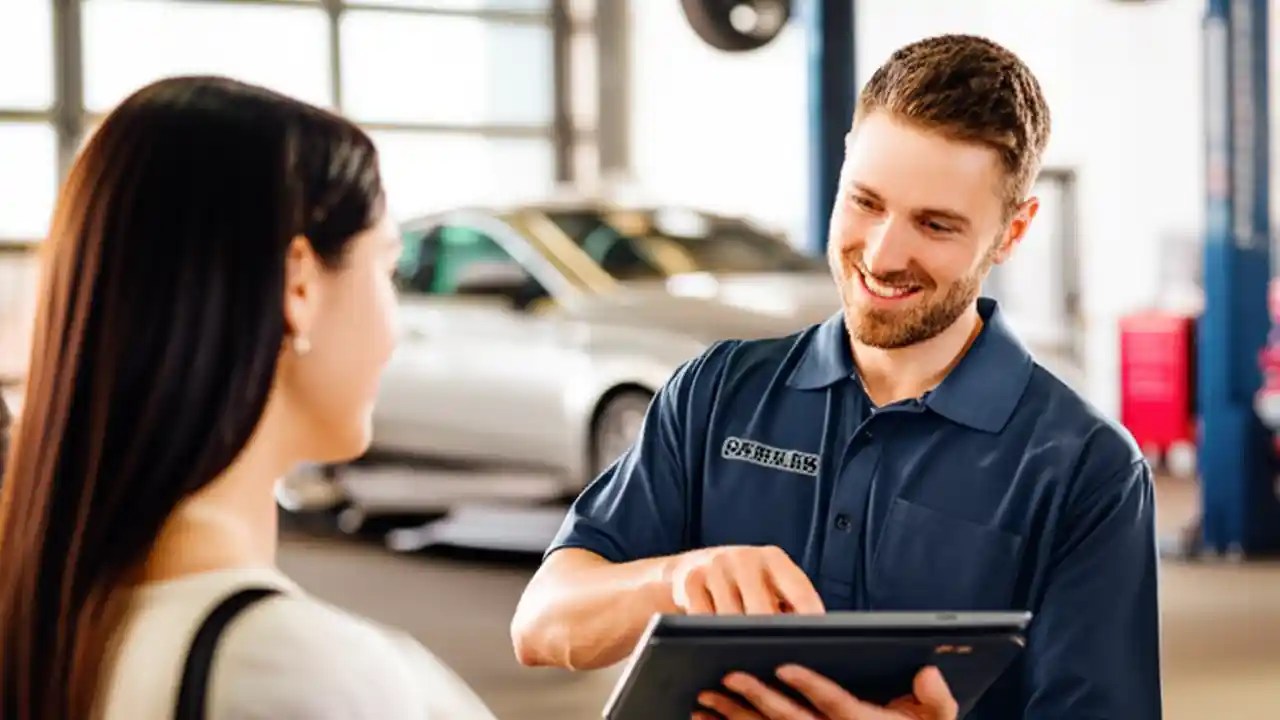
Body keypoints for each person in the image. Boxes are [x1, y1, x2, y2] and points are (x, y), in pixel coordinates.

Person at [511, 34, 1161, 720]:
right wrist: (676, 580)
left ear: (1012, 231)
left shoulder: (1086, 470)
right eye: (866, 202)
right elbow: (542, 626)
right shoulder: (718, 392)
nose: (883, 254)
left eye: (935, 225)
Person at [0, 76, 496, 720]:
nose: (394, 328)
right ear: (299, 286)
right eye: (386, 268)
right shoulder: (295, 671)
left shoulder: (48, 625)